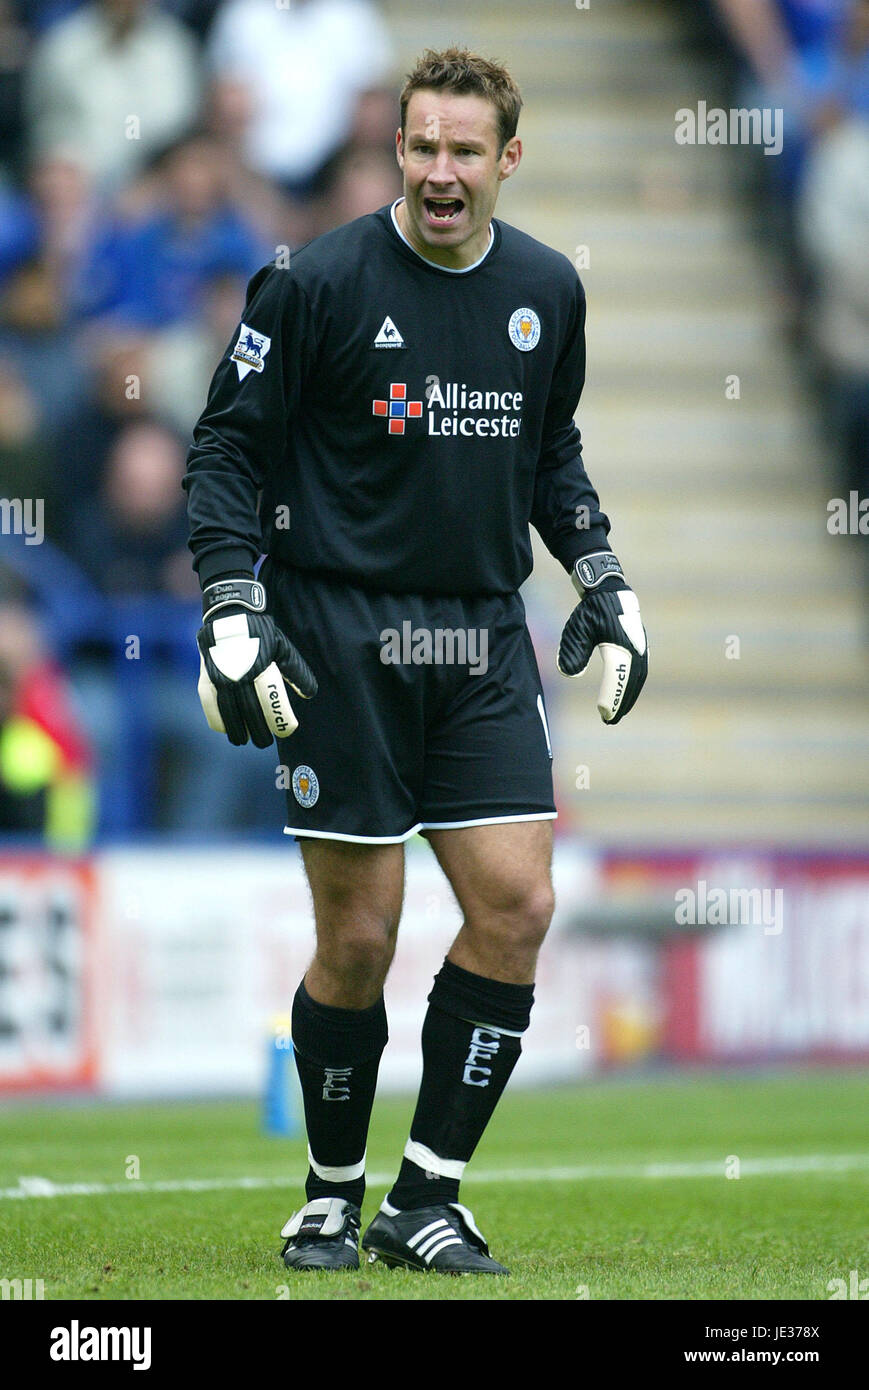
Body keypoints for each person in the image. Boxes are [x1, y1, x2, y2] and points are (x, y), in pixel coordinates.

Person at [184, 47, 649, 1275]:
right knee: (362, 937)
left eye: (463, 151)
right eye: (421, 147)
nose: (440, 172)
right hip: (340, 631)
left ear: (507, 157)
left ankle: (424, 1195)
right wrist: (233, 603)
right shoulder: (313, 281)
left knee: (518, 903)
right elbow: (226, 451)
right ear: (398, 149)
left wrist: (600, 573)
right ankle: (328, 1195)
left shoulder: (548, 289)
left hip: (482, 633)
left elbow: (551, 453)